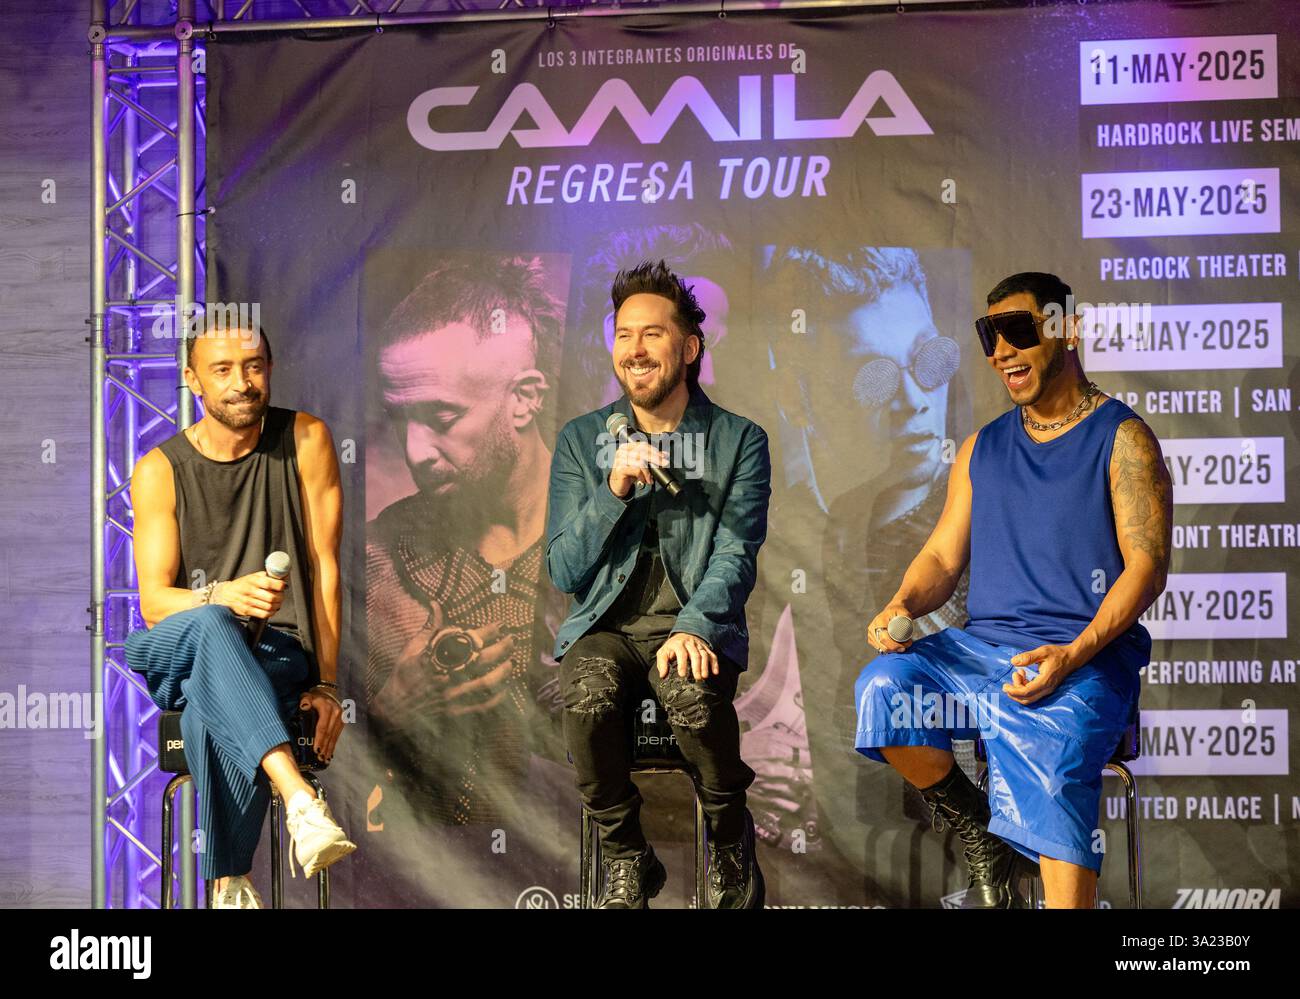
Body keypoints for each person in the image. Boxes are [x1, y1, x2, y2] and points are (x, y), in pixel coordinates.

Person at [855, 272, 1172, 908]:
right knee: (884, 690)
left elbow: (1147, 568)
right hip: (979, 655)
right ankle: (980, 830)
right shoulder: (981, 447)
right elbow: (944, 554)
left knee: (1050, 760)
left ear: (1067, 330)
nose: (1000, 350)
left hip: (1082, 659)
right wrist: (903, 605)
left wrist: (1072, 655)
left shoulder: (1123, 438)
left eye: (1018, 331)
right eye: (988, 335)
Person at [546, 260, 771, 908]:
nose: (635, 349)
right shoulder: (583, 439)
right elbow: (564, 570)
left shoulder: (737, 441)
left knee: (691, 694)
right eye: (623, 335)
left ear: (690, 347)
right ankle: (626, 854)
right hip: (606, 631)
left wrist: (696, 624)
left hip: (691, 629)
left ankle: (730, 835)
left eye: (652, 334)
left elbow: (735, 552)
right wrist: (613, 488)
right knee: (585, 691)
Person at [126, 323, 354, 909]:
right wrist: (219, 596)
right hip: (174, 644)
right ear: (192, 377)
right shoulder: (159, 467)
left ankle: (230, 885)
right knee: (209, 629)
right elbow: (154, 603)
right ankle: (299, 800)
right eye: (222, 369)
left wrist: (326, 682)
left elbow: (325, 568)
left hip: (270, 653)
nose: (241, 382)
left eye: (252, 366)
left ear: (270, 370)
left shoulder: (305, 439)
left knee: (215, 695)